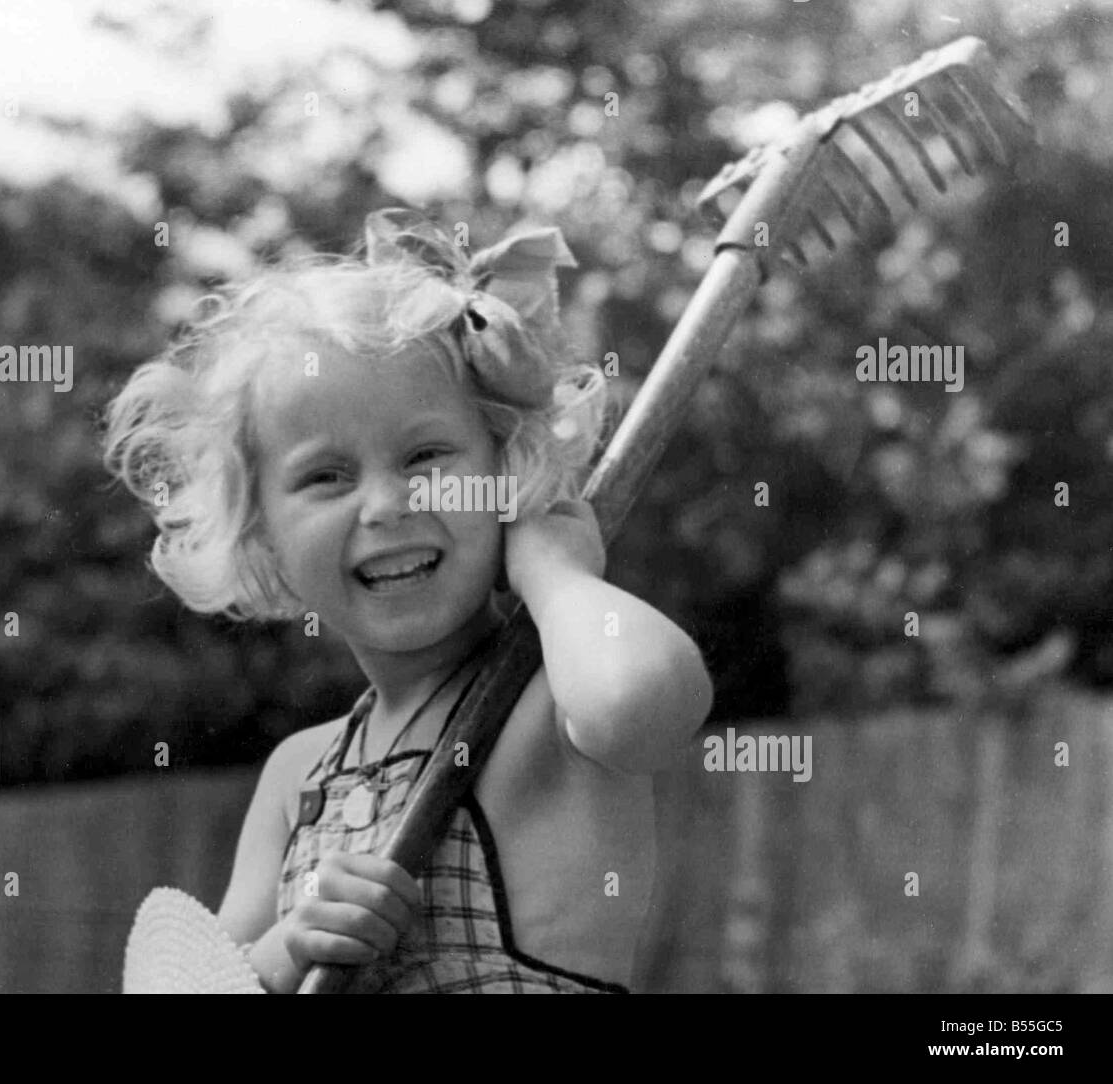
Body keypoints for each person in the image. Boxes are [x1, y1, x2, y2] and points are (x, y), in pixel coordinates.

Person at [107, 208, 713, 994]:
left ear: (508, 472)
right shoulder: (302, 775)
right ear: (262, 533)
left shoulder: (552, 703)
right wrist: (286, 950)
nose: (386, 505)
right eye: (326, 477)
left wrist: (558, 576)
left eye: (427, 455)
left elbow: (647, 703)